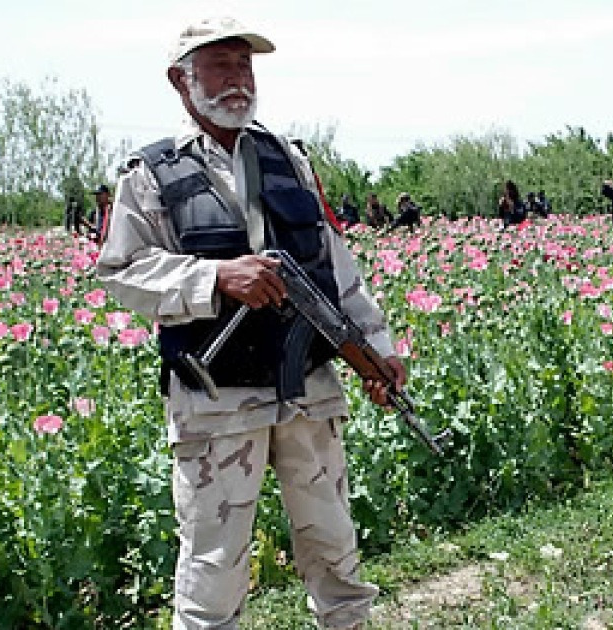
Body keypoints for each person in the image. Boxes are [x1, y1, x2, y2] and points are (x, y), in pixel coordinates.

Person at [95, 18, 402, 627]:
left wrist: (378, 351)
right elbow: (121, 271)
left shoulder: (289, 159)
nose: (238, 78)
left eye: (245, 64)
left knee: (336, 551)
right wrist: (214, 276)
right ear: (181, 80)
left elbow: (337, 269)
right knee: (213, 568)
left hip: (307, 387)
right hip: (217, 400)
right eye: (220, 65)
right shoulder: (151, 173)